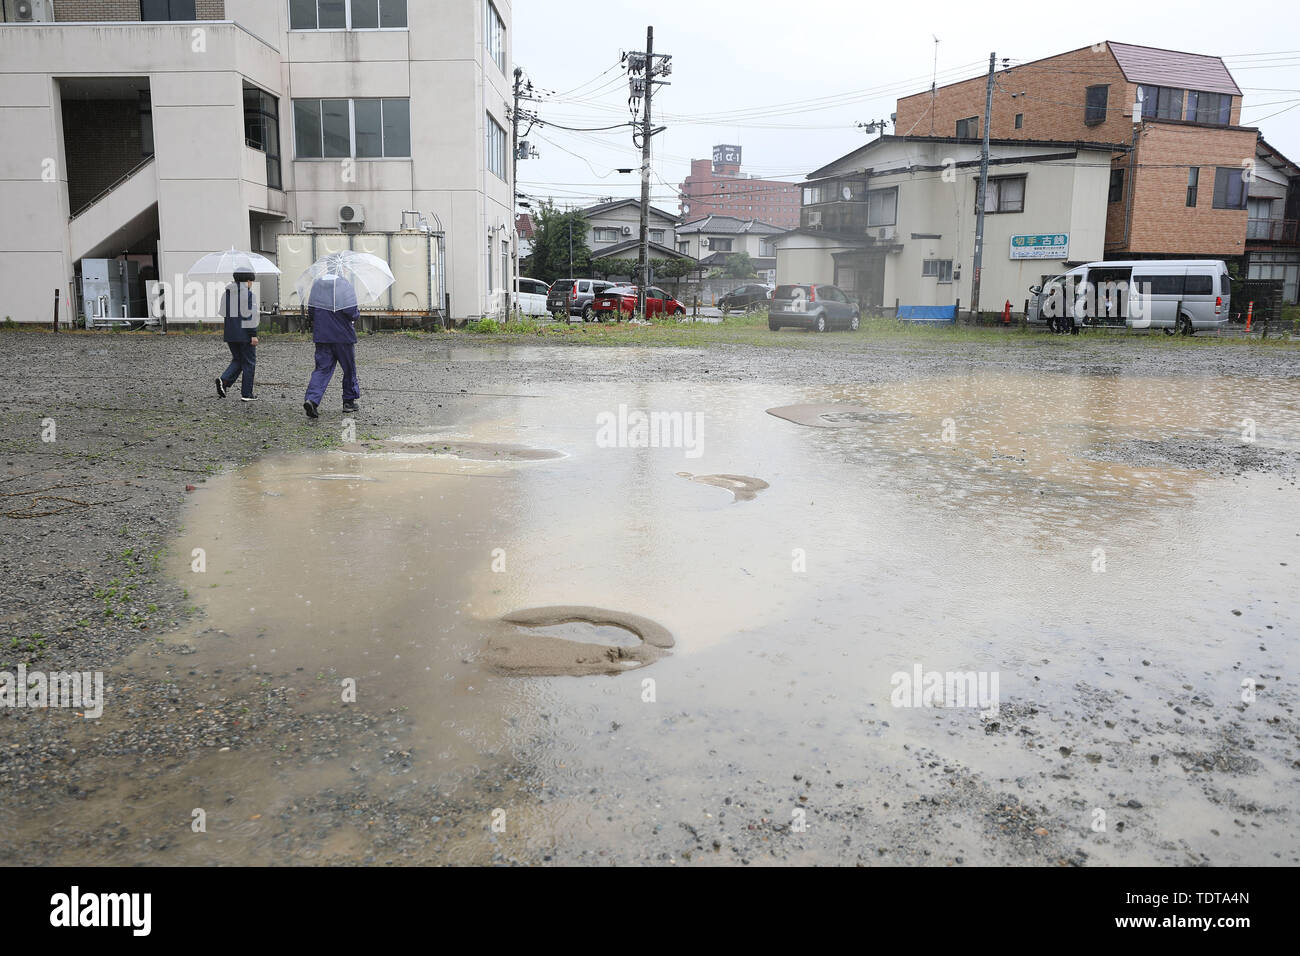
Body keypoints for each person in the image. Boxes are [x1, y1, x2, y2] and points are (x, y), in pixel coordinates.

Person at [303, 274, 360, 418]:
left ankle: (312, 400)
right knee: (348, 369)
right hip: (343, 337)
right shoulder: (344, 285)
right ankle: (348, 402)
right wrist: (357, 313)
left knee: (322, 369)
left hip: (322, 335)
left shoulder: (317, 285)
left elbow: (311, 312)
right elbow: (351, 312)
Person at [215, 270, 259, 401]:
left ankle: (224, 381)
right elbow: (250, 316)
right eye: (251, 281)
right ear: (247, 281)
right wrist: (253, 335)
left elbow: (223, 312)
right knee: (249, 363)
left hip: (230, 333)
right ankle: (247, 394)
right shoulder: (249, 295)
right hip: (245, 334)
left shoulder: (226, 293)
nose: (251, 284)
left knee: (238, 360)